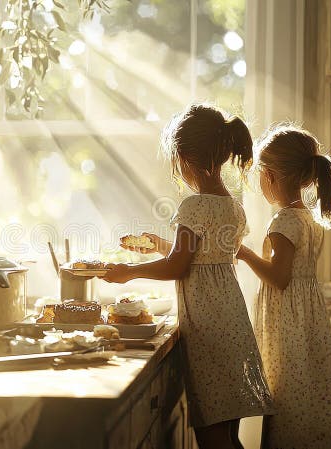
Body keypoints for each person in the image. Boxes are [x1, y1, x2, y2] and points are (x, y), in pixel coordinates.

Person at [103, 103, 275, 449]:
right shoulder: (232, 207)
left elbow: (178, 266)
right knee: (227, 435)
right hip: (231, 325)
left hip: (208, 332)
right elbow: (204, 256)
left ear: (183, 157)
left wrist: (127, 273)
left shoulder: (193, 206)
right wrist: (159, 246)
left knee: (212, 439)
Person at [236, 125, 331, 448]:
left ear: (271, 176)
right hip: (306, 318)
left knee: (286, 394)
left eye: (261, 173)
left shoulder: (284, 221)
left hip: (286, 323)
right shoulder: (308, 218)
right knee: (307, 391)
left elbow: (279, 276)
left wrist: (244, 252)